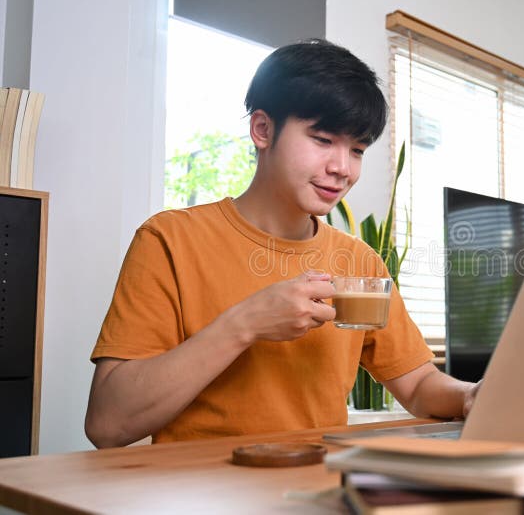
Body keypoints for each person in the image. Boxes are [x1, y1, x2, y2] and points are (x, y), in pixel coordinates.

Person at [85, 39, 478, 448]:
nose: (342, 168)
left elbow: (416, 384)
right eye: (323, 139)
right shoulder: (169, 240)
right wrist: (245, 324)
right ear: (262, 129)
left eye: (357, 150)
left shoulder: (359, 262)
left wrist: (469, 395)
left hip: (319, 492)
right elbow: (108, 424)